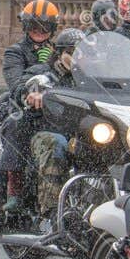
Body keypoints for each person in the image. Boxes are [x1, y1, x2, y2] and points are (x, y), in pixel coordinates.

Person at [0, 0, 60, 213]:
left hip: (59, 111)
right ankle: (14, 190)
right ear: (25, 26)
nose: (39, 31)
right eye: (34, 25)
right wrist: (30, 92)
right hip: (26, 110)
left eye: (45, 26)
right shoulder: (14, 52)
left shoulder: (61, 50)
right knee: (17, 124)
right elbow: (16, 84)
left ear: (52, 28)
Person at [20, 27, 86, 218]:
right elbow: (24, 85)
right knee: (56, 143)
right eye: (71, 53)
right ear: (59, 53)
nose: (76, 58)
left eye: (81, 53)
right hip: (44, 131)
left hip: (81, 133)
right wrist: (33, 94)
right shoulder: (45, 73)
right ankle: (51, 213)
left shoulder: (90, 78)